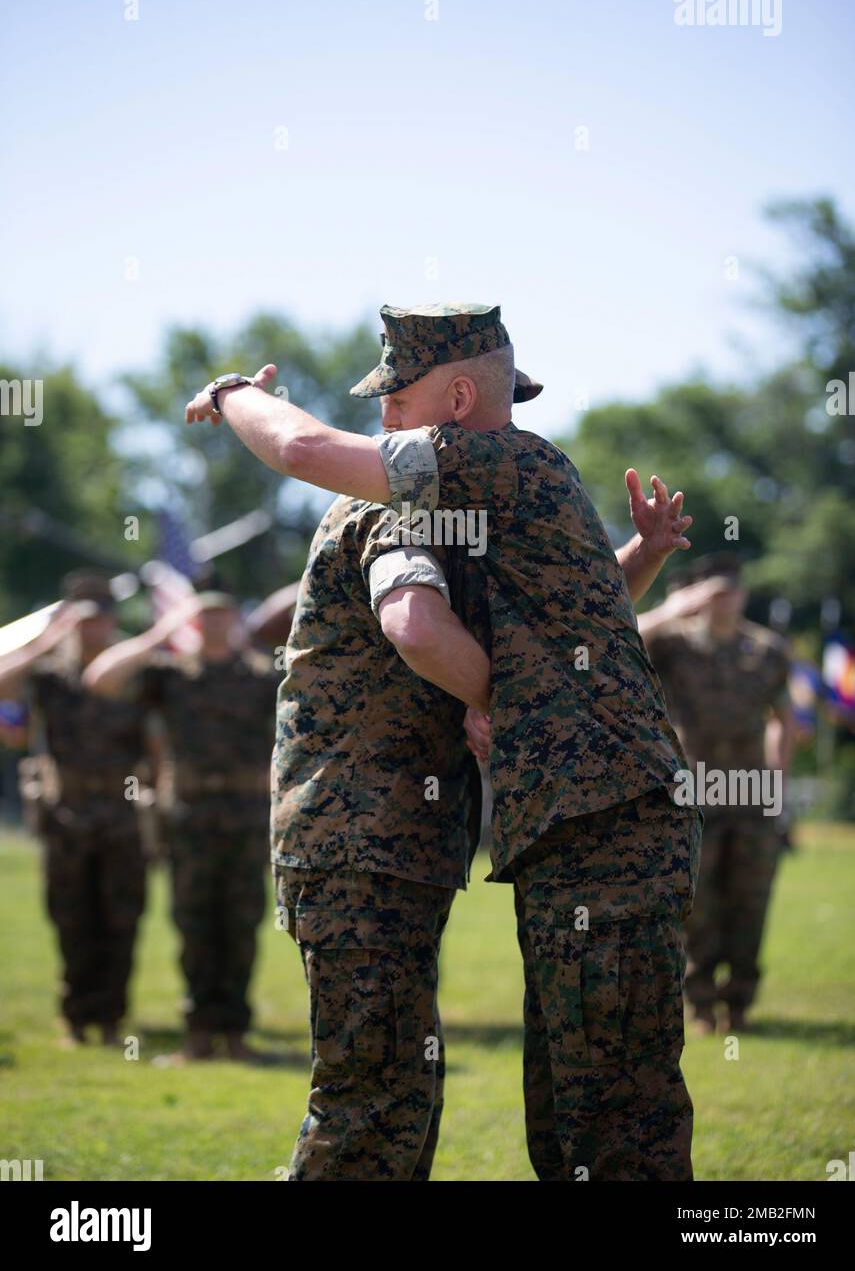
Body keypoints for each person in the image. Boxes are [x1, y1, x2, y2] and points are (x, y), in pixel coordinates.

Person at [183, 302, 699, 1181]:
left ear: (460, 400)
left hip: (586, 820)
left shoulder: (489, 476)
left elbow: (310, 456)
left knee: (597, 1113)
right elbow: (553, 625)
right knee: (533, 1108)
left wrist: (230, 392)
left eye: (396, 397)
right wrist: (527, 680)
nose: (380, 416)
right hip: (492, 829)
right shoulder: (469, 503)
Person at [84, 587, 280, 1062]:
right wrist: (159, 633)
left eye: (220, 614)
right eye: (203, 615)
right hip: (189, 814)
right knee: (192, 923)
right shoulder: (170, 674)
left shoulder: (259, 675)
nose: (212, 623)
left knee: (240, 923)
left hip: (244, 813)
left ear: (235, 618)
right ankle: (198, 1033)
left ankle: (233, 1033)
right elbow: (100, 680)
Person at [639, 553, 794, 1034]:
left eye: (731, 590)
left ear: (744, 595)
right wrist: (675, 606)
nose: (723, 599)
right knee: (697, 903)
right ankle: (701, 1001)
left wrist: (778, 777)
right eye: (714, 590)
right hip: (695, 794)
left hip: (752, 794)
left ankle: (740, 1002)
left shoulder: (767, 650)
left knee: (750, 901)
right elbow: (619, 637)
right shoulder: (673, 642)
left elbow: (784, 719)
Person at [0, 572, 148, 1046]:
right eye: (82, 620)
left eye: (101, 619)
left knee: (120, 918)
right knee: (71, 917)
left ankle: (111, 1018)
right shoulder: (46, 677)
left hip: (121, 814)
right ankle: (75, 1015)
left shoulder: (130, 676)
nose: (93, 629)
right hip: (66, 814)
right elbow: (3, 689)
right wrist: (48, 640)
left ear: (112, 622)